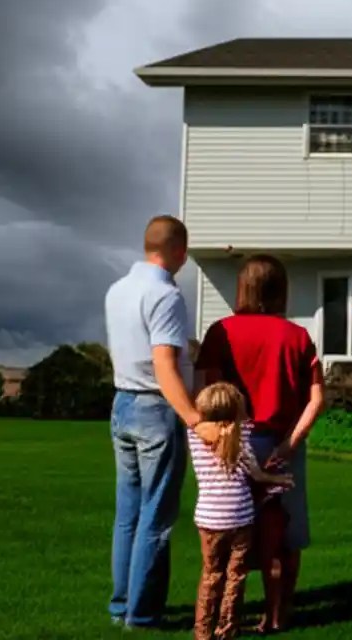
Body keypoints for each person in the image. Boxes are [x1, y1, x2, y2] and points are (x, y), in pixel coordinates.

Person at [195, 254, 326, 633]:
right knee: (285, 536)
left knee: (233, 534)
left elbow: (212, 395)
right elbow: (316, 399)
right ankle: (277, 615)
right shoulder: (297, 336)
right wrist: (288, 445)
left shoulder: (221, 332)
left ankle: (222, 620)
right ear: (281, 291)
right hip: (283, 445)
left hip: (234, 444)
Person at [104, 215, 217, 628]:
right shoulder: (165, 295)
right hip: (156, 408)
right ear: (178, 251)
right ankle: (144, 612)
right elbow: (164, 365)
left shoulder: (117, 291)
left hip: (122, 404)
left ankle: (121, 607)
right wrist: (193, 418)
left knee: (128, 514)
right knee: (156, 516)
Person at [189, 382, 293, 640]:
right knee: (235, 576)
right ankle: (228, 629)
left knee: (211, 574)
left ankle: (203, 631)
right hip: (241, 518)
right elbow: (256, 474)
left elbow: (193, 421)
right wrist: (277, 479)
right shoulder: (243, 434)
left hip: (209, 519)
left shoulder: (195, 437)